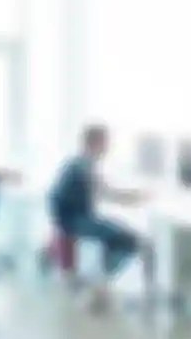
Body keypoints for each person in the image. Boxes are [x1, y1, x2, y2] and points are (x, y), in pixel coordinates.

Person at [48, 125, 150, 313]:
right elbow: (105, 192)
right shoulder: (83, 164)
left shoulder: (76, 162)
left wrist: (132, 196)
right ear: (96, 143)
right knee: (131, 240)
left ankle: (98, 284)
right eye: (106, 142)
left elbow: (101, 190)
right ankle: (98, 285)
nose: (108, 148)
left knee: (118, 236)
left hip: (68, 221)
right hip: (76, 221)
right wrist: (136, 197)